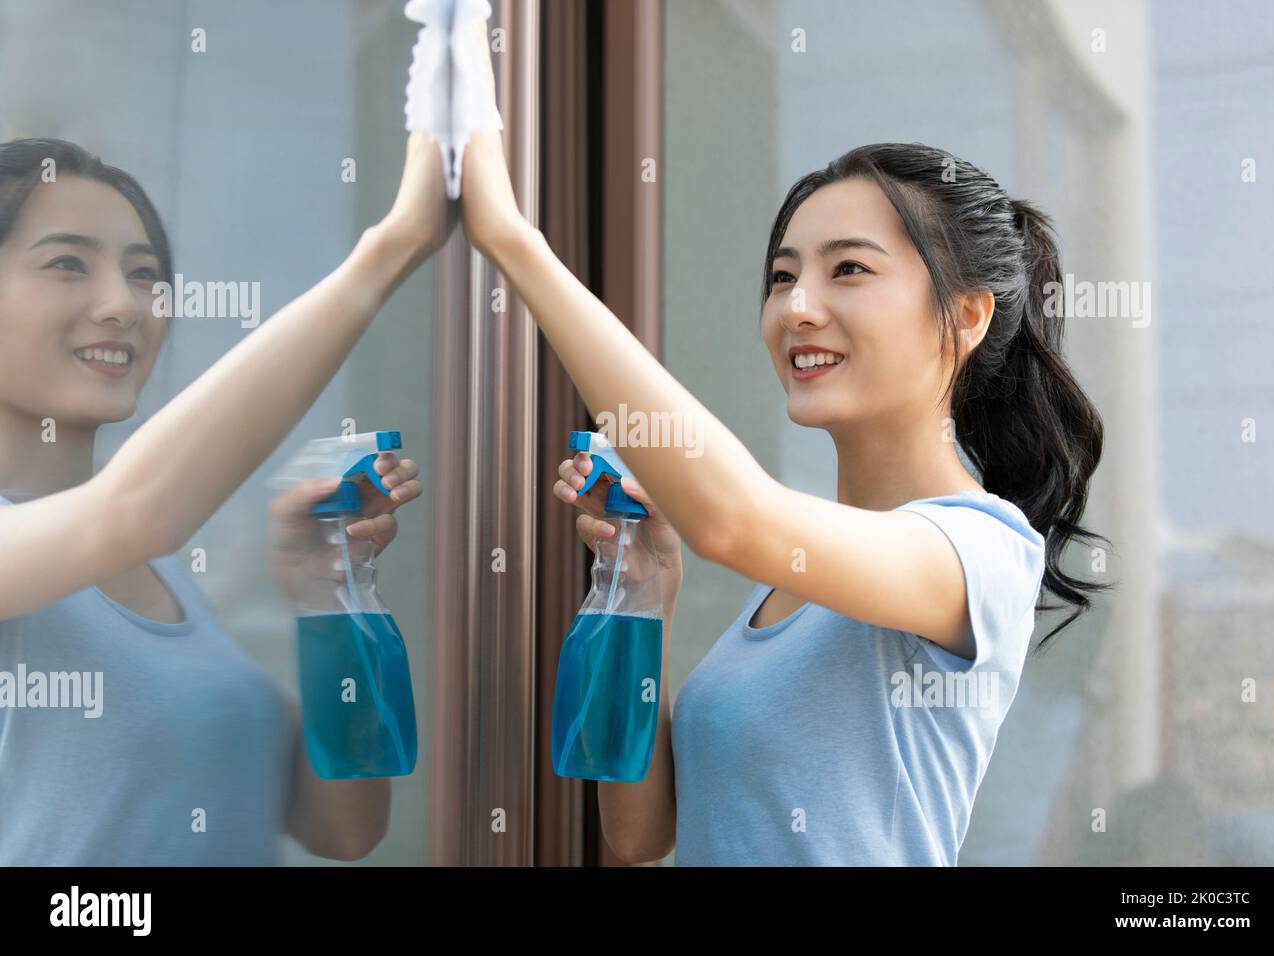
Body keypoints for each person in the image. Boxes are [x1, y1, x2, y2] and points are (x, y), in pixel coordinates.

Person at [455, 21, 1113, 864]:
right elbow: (639, 833)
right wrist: (642, 594)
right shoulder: (782, 600)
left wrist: (517, 244)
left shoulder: (979, 554)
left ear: (967, 315)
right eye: (781, 276)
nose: (798, 305)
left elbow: (732, 520)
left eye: (848, 269)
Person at [0, 132, 446, 864]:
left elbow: (346, 826)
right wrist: (387, 253)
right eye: (66, 264)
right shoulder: (131, 529)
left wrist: (331, 596)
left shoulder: (163, 574)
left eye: (144, 275)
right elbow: (134, 511)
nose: (123, 304)